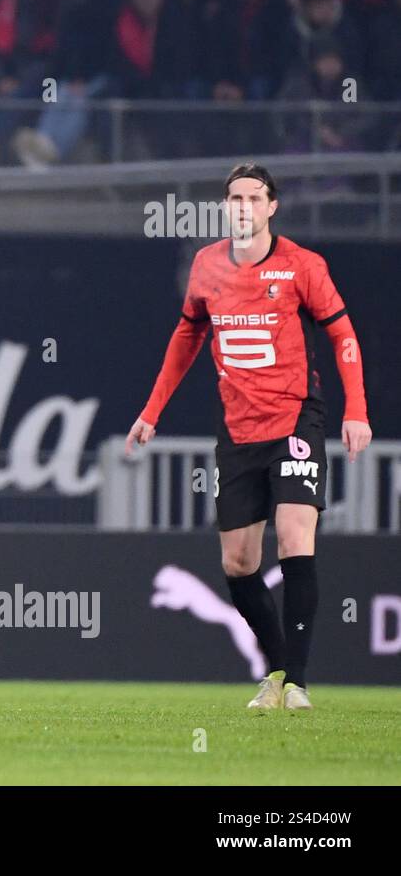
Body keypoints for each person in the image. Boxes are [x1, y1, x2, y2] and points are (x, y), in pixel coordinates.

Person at [126, 163, 371, 711]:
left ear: (271, 207)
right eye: (234, 198)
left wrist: (356, 409)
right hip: (238, 430)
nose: (242, 207)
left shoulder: (302, 266)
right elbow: (187, 335)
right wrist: (152, 410)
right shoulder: (207, 266)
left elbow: (343, 334)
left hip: (295, 419)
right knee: (238, 563)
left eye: (253, 198)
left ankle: (300, 684)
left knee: (293, 535)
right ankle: (277, 670)